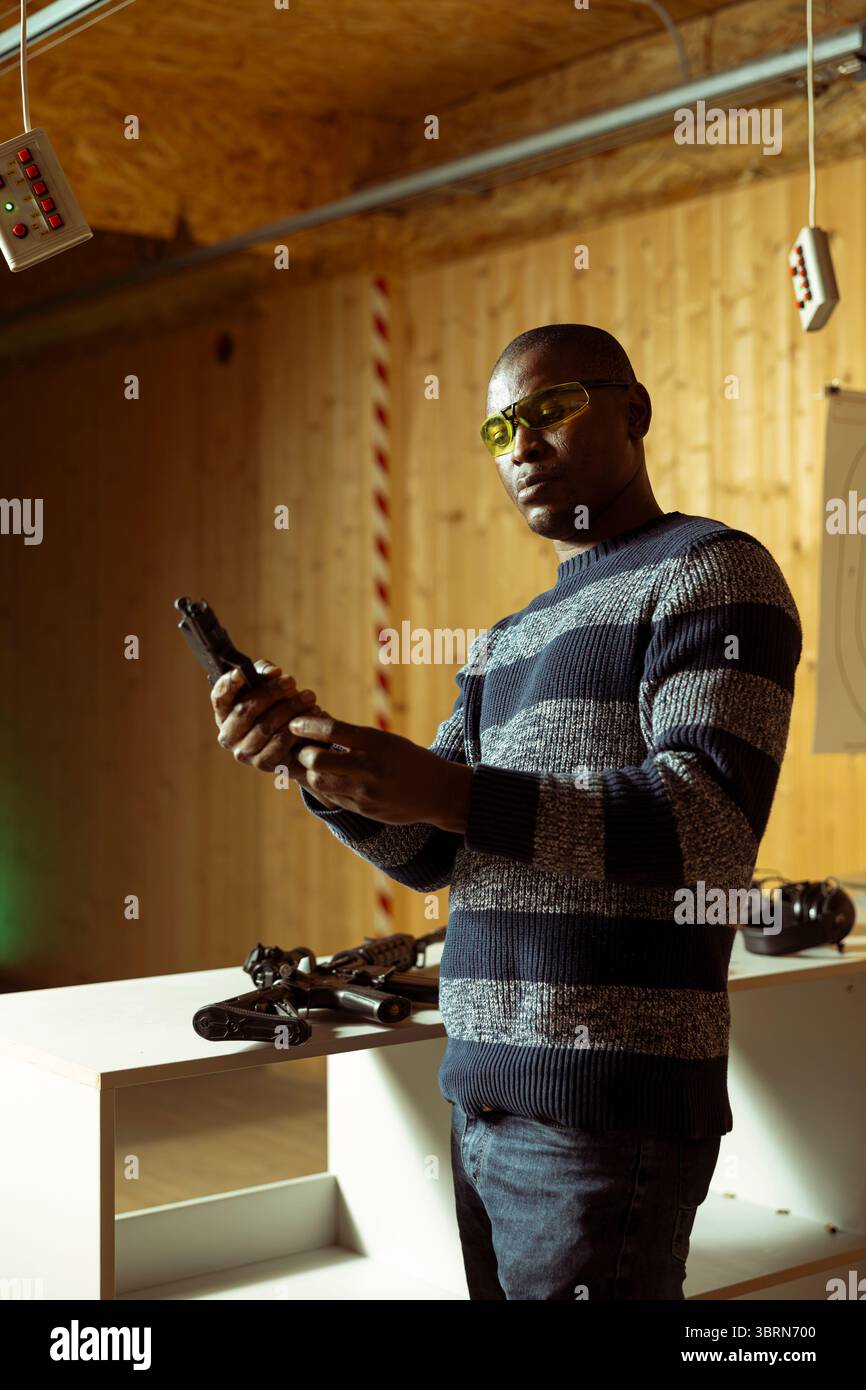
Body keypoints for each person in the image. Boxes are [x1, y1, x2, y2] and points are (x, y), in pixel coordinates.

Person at [211, 324, 802, 1300]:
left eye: (548, 410)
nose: (520, 444)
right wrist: (321, 761)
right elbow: (435, 849)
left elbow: (704, 832)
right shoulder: (504, 642)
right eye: (498, 429)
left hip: (604, 1114)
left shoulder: (709, 573)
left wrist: (445, 789)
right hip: (480, 1100)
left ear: (632, 411)